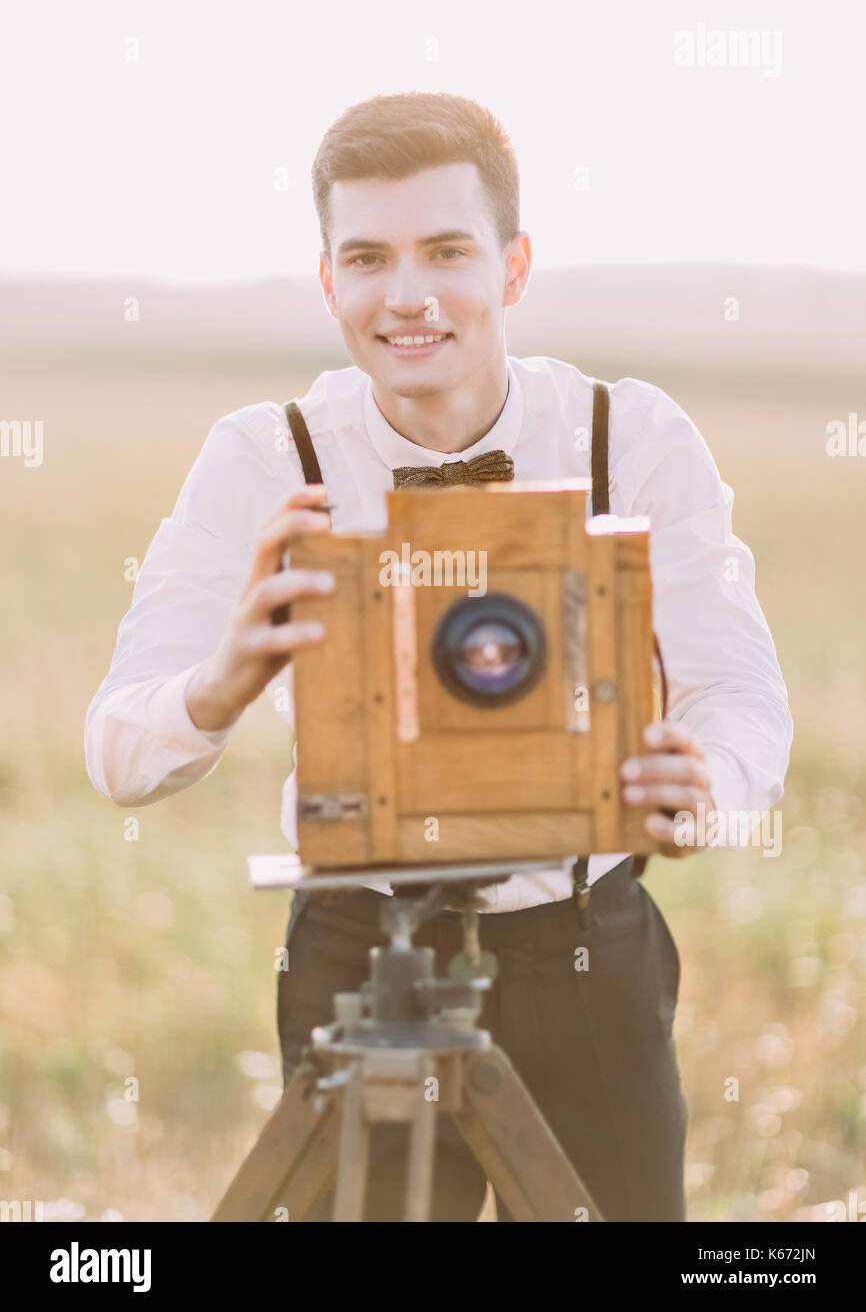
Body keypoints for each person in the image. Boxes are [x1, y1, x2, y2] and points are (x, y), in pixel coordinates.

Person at [85, 91, 793, 1222]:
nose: (406, 295)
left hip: (582, 948)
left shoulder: (630, 436)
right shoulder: (263, 455)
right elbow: (118, 752)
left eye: (445, 251)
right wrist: (220, 684)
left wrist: (702, 786)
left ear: (513, 268)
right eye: (366, 257)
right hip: (357, 953)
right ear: (328, 283)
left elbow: (739, 691)